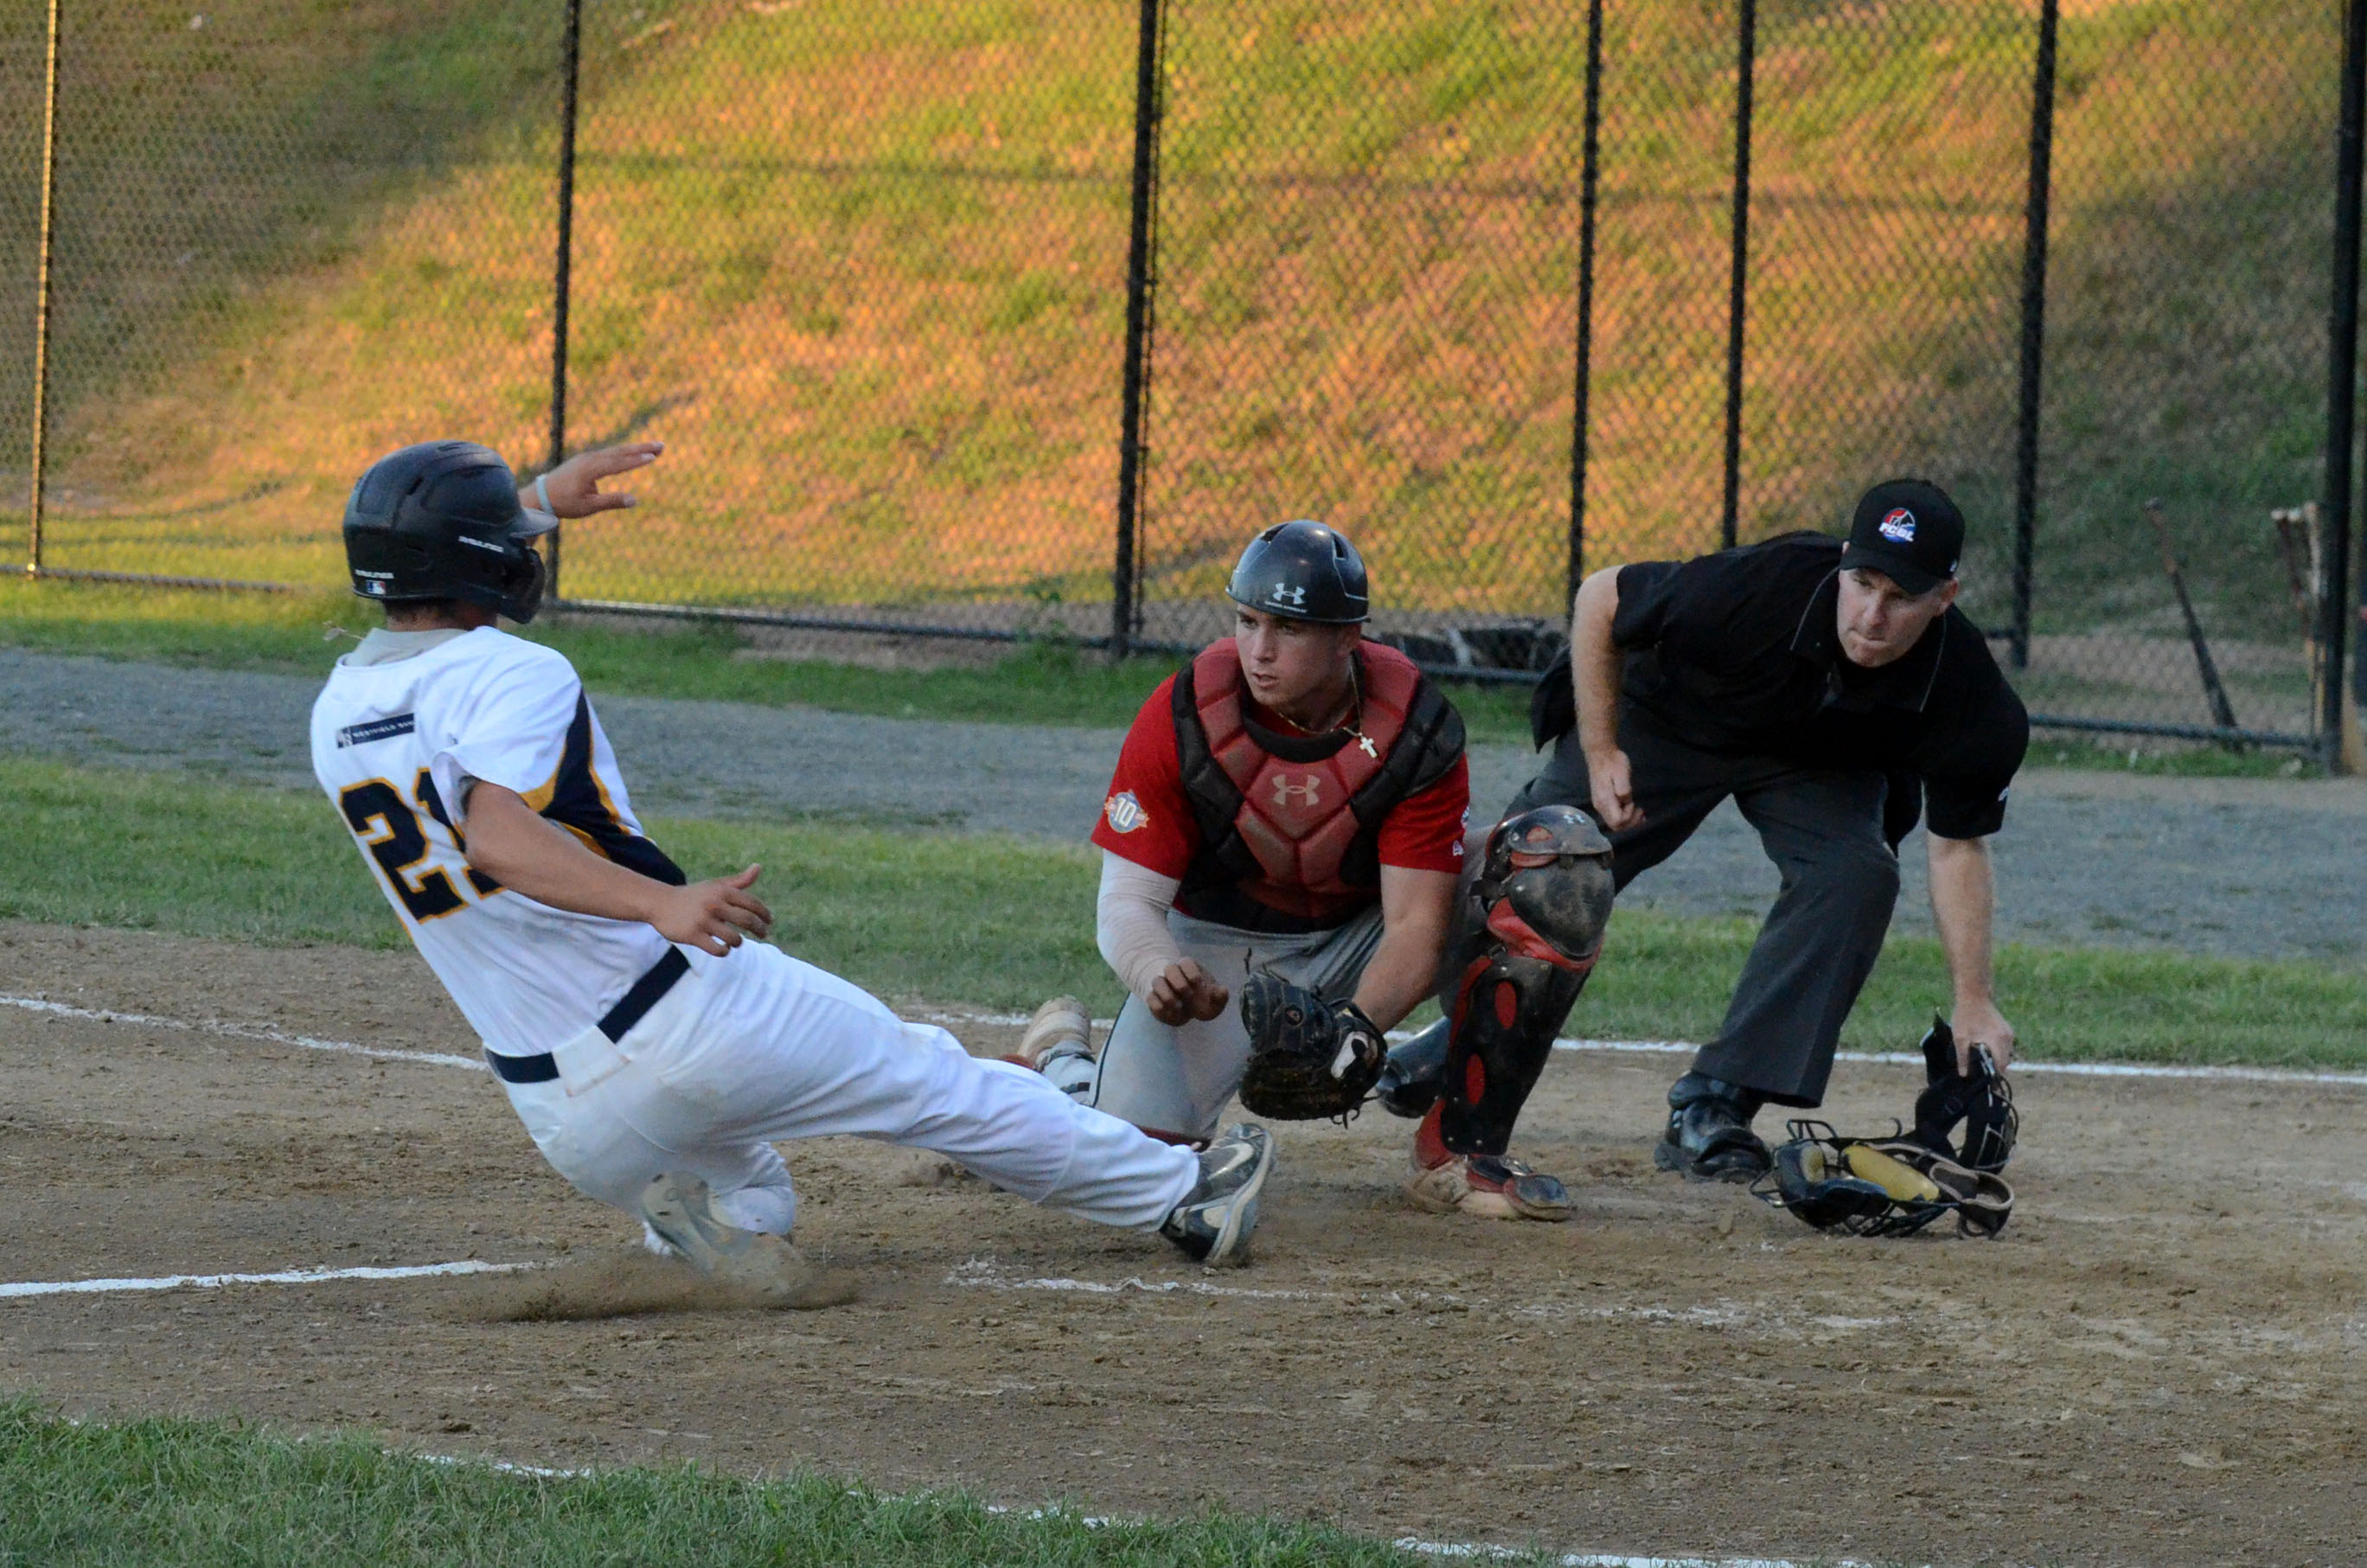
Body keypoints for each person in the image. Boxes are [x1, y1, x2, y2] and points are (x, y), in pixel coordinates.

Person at [309, 438, 1277, 1305]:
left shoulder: (340, 709)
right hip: (686, 1019)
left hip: (566, 1114)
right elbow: (497, 835)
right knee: (933, 1081)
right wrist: (664, 900)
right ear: (479, 559)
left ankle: (684, 1231)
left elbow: (449, 719)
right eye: (506, 536)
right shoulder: (513, 671)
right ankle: (1186, 1196)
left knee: (752, 1192)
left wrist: (538, 502)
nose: (522, 548)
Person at [1389, 478, 2028, 1183]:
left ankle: (1715, 1100)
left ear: (1945, 598)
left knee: (1855, 872)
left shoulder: (1969, 694)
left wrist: (1973, 1000)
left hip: (1817, 759)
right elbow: (1601, 597)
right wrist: (1602, 754)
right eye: (1862, 581)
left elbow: (1957, 844)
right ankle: (1464, 1040)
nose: (1872, 614)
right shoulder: (1759, 588)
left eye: (1901, 596)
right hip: (1669, 715)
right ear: (1841, 562)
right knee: (1547, 853)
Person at [1011, 521, 1579, 1220]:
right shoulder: (1187, 712)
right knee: (1125, 1157)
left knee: (1556, 857)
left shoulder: (1410, 723)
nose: (1259, 650)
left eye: (1288, 629)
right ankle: (1061, 1064)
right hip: (1219, 957)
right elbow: (1126, 897)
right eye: (1247, 622)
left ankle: (1461, 1152)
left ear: (1348, 636)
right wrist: (1155, 967)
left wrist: (1357, 1029)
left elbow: (1413, 924)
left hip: (1361, 930)